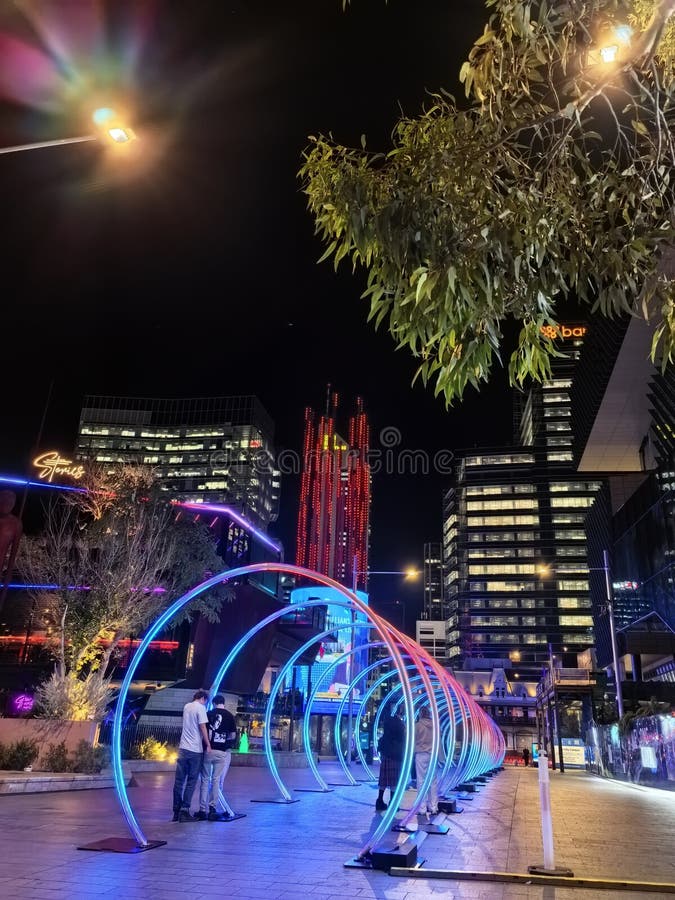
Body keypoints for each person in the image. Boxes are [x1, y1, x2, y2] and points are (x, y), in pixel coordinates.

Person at [172, 689, 211, 822]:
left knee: (179, 781)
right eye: (206, 702)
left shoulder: (187, 706)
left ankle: (176, 811)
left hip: (183, 748)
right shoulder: (201, 708)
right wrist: (208, 744)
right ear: (203, 699)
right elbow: (203, 727)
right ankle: (184, 810)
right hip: (195, 749)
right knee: (191, 781)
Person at [197, 694, 237, 821]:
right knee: (216, 780)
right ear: (223, 703)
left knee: (205, 779)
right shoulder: (230, 716)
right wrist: (225, 743)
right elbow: (233, 736)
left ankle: (202, 809)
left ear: (214, 703)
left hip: (208, 750)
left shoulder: (209, 714)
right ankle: (212, 808)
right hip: (221, 752)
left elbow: (202, 731)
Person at [376, 711, 405, 811]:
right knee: (394, 781)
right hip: (396, 755)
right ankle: (392, 802)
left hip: (386, 754)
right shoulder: (400, 726)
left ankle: (379, 801)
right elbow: (403, 739)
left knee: (383, 780)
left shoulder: (388, 724)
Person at [414, 705, 439, 817]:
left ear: (420, 714)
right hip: (432, 754)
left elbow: (410, 737)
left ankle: (422, 808)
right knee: (432, 781)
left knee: (421, 781)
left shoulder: (417, 726)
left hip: (421, 754)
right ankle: (434, 807)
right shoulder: (435, 725)